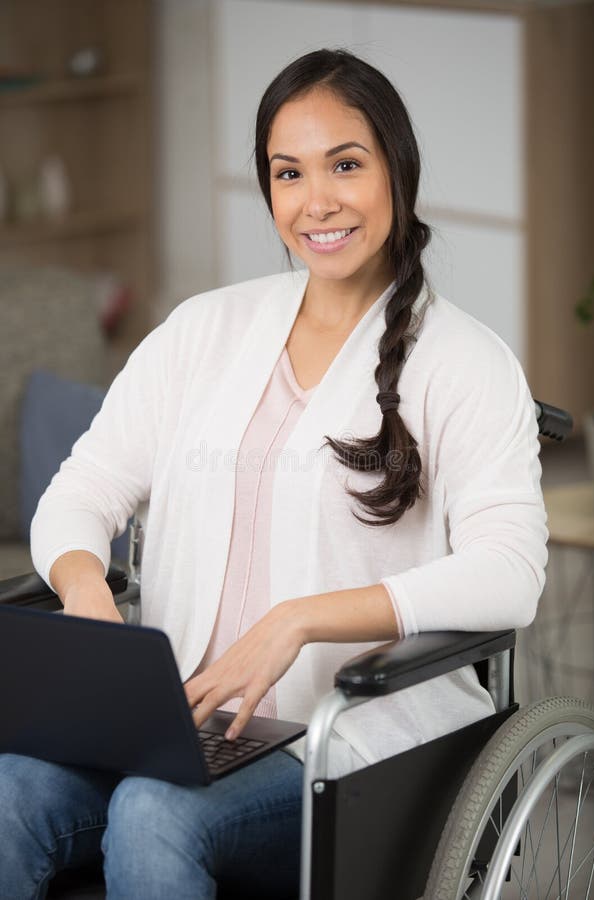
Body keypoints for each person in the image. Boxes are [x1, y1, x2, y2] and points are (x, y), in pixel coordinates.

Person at [0, 49, 548, 899]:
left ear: (397, 170)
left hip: (350, 742)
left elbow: (510, 575)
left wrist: (300, 620)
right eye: (288, 172)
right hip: (173, 726)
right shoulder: (203, 331)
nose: (317, 200)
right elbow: (79, 494)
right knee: (9, 793)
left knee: (153, 813)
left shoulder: (468, 364)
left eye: (346, 165)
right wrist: (85, 594)